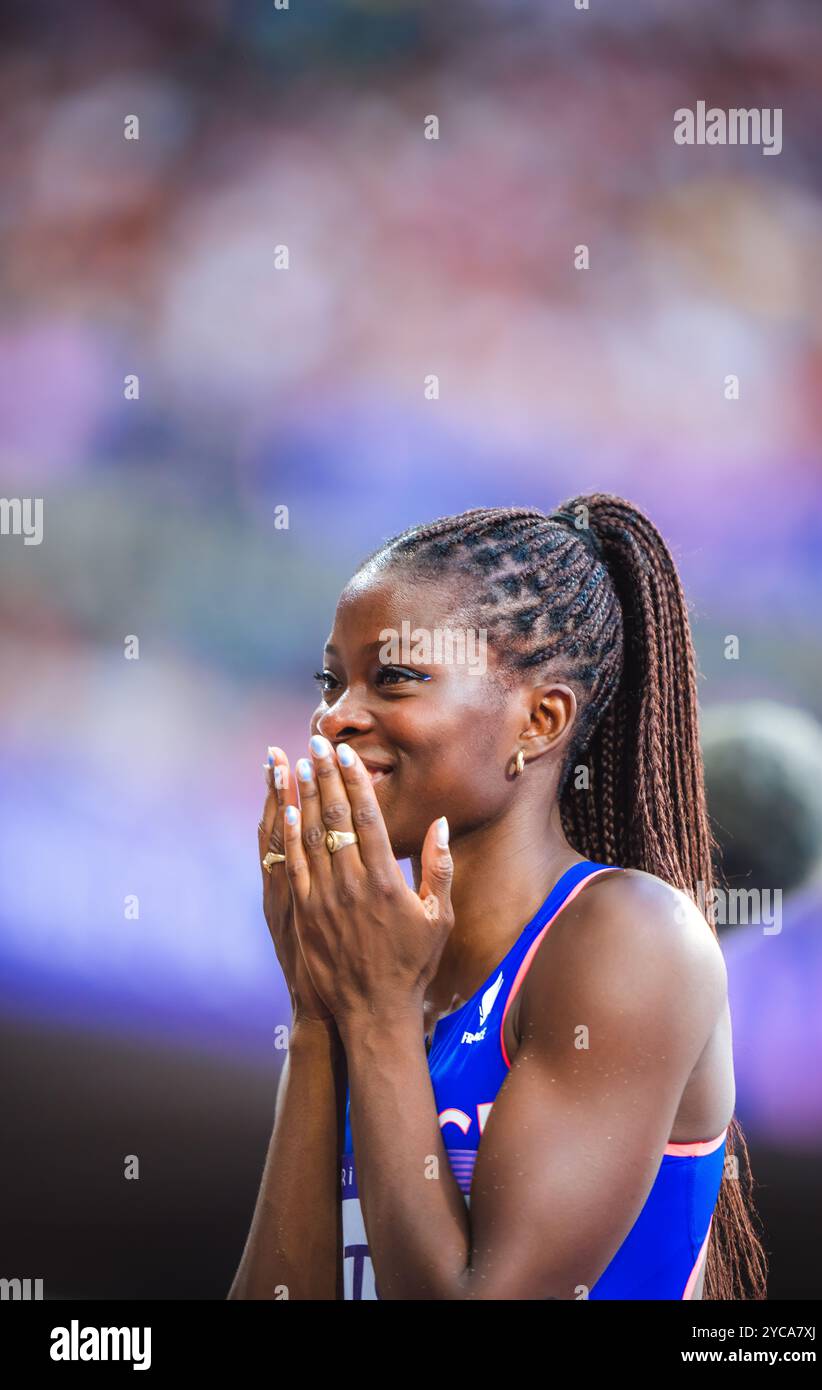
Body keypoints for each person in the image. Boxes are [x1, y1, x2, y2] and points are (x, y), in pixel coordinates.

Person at [228, 493, 767, 1301]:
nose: (335, 719)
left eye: (395, 678)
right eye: (332, 681)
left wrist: (374, 1017)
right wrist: (315, 1013)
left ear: (539, 721)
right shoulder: (370, 975)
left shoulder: (631, 937)